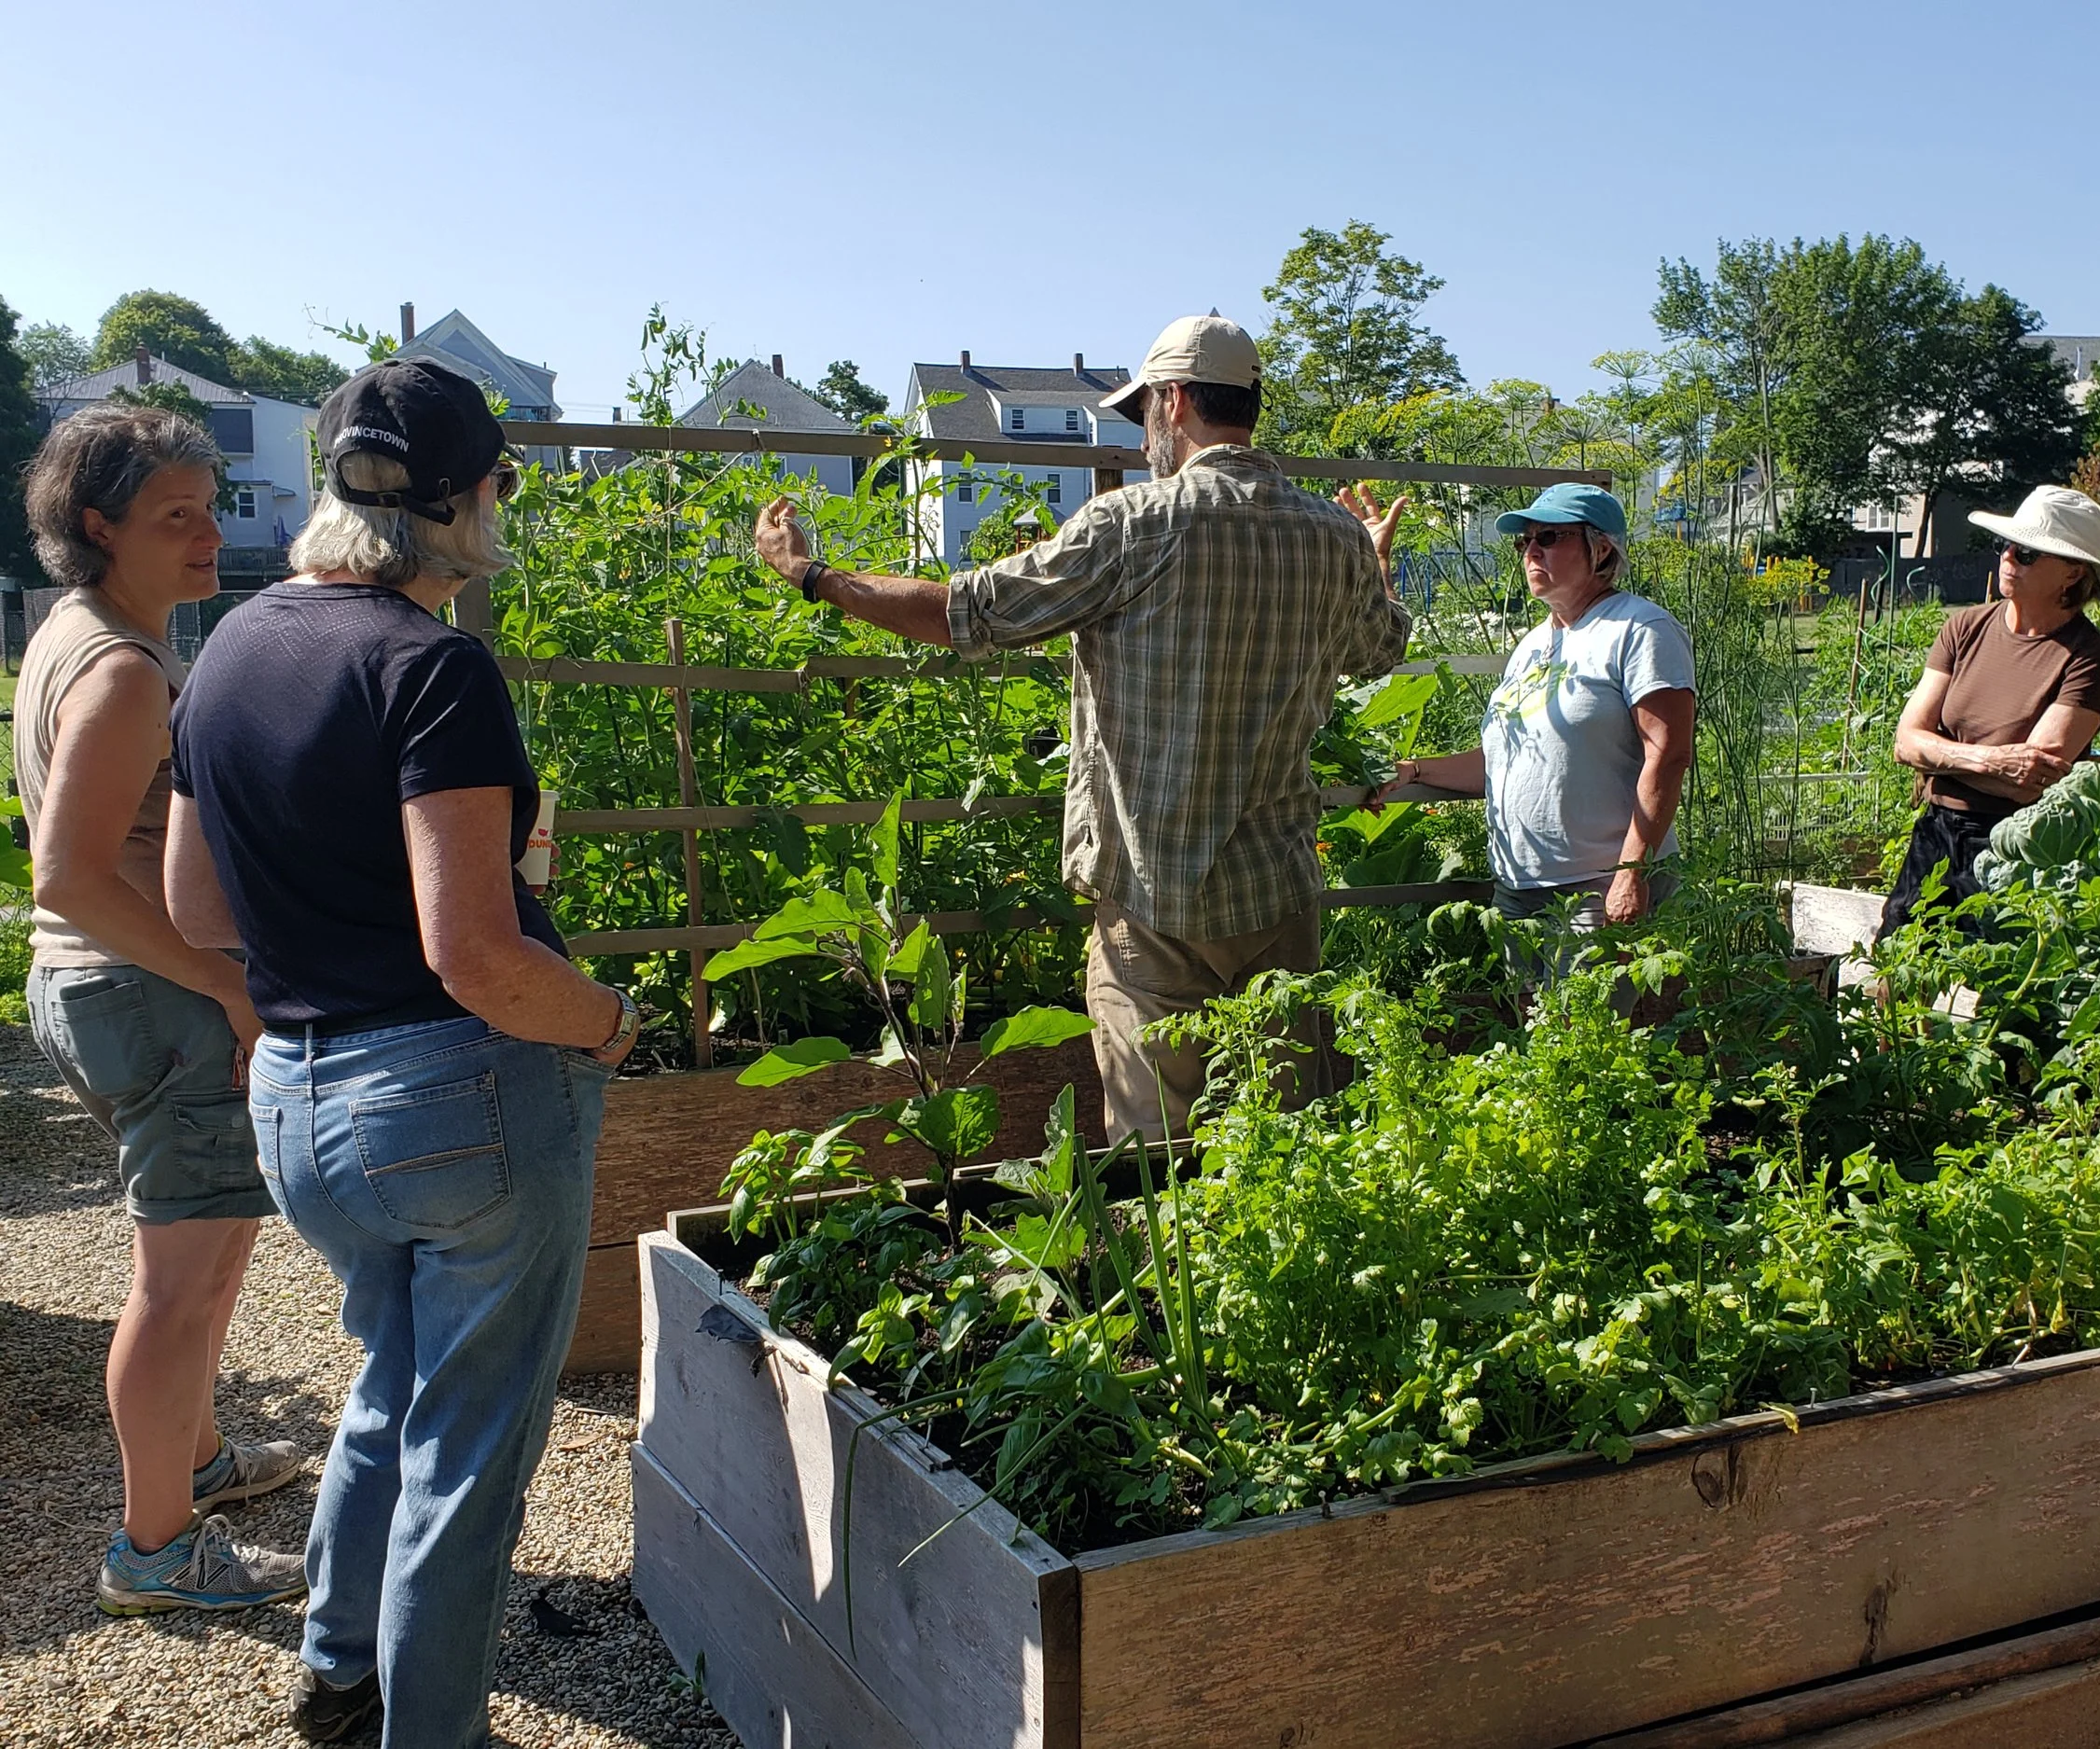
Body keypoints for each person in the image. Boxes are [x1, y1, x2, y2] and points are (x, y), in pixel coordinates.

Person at [167, 360, 639, 1748]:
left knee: (390, 1376)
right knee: (474, 1441)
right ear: (461, 502)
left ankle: (335, 1663)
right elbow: (478, 957)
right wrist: (608, 1021)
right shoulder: (433, 665)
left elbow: (199, 911)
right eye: (499, 484)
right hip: (458, 1098)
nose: (504, 504)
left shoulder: (230, 652)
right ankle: (434, 1731)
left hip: (299, 1101)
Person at [751, 314, 1411, 1141]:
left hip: (1154, 898)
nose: (1141, 443)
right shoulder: (1334, 538)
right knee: (1280, 1153)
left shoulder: (1134, 526)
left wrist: (814, 574)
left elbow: (968, 611)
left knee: (1157, 1161)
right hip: (1277, 895)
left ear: (1174, 403)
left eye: (1143, 419)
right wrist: (1373, 562)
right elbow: (1379, 649)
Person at [17, 404, 308, 1618]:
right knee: (175, 1285)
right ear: (99, 527)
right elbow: (69, 873)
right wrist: (229, 983)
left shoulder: (75, 633)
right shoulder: (126, 669)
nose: (207, 534)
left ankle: (195, 1462)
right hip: (146, 990)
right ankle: (154, 1548)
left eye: (211, 505)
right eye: (172, 515)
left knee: (213, 1248)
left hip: (111, 991)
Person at [1381, 484, 1695, 981]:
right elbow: (1502, 762)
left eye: (1549, 537)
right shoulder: (1533, 644)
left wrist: (1631, 872)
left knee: (1591, 1040)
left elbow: (1669, 754)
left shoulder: (1640, 630)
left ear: (1601, 548)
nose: (1532, 551)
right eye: (1524, 541)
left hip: (1595, 886)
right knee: (1535, 1040)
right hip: (1520, 889)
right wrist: (1415, 770)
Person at [1880, 485, 2100, 936]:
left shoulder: (2089, 655)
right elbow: (1905, 741)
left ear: (2072, 574)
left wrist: (1939, 759)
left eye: (2027, 552)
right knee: (1897, 965)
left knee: (1996, 977)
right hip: (1934, 831)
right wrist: (1991, 760)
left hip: (2014, 844)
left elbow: (2028, 783)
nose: (2008, 556)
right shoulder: (1965, 627)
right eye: (2005, 545)